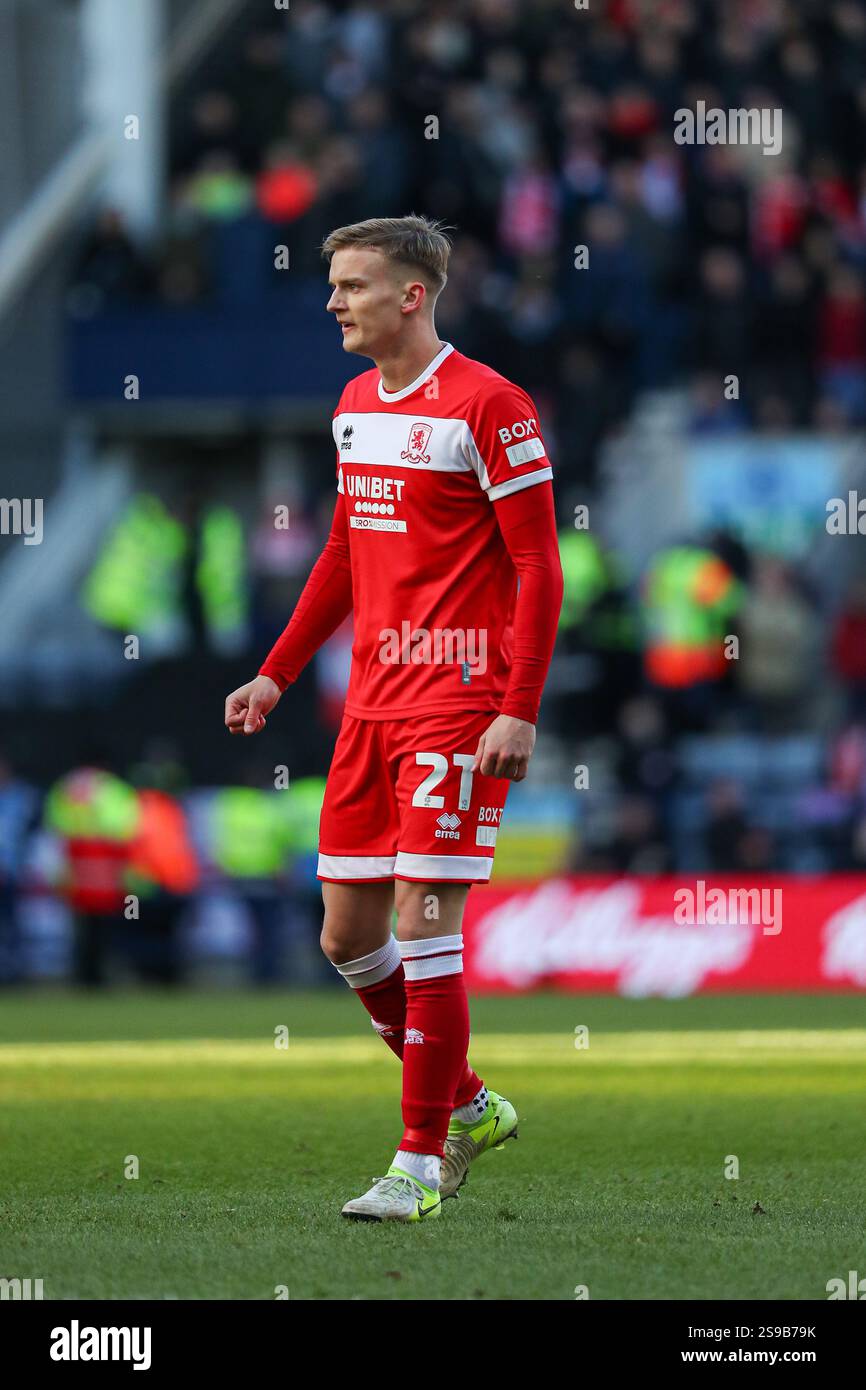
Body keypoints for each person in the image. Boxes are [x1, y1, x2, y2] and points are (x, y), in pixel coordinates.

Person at [224, 214, 563, 1222]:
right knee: (346, 934)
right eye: (334, 284)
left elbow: (538, 568)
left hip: (459, 701)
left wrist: (517, 709)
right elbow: (340, 553)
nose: (334, 301)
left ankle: (419, 1162)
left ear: (411, 295)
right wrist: (277, 675)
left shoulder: (490, 405)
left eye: (353, 285)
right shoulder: (352, 404)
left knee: (424, 920)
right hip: (368, 700)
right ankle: (465, 1100)